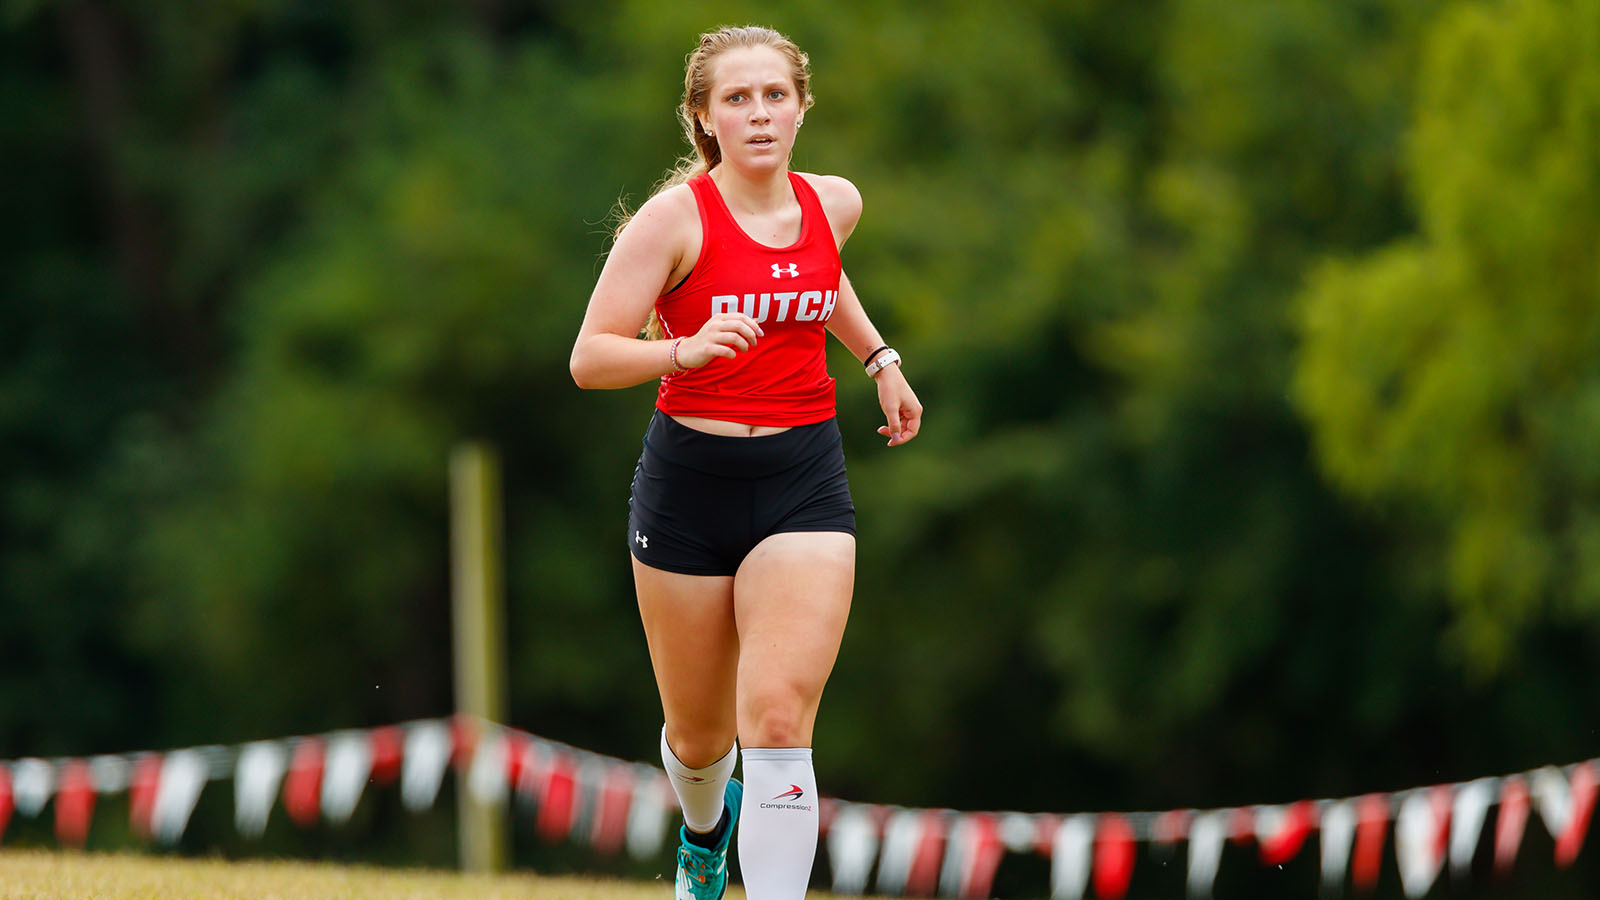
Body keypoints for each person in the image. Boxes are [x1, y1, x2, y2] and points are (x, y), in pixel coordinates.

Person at [570, 24, 922, 900]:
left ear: (802, 107)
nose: (759, 114)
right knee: (698, 739)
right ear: (704, 119)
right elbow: (589, 356)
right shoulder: (674, 221)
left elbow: (819, 278)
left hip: (804, 479)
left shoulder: (834, 201)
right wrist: (679, 354)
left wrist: (880, 360)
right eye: (737, 99)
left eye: (774, 96)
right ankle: (702, 833)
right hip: (688, 486)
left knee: (775, 719)